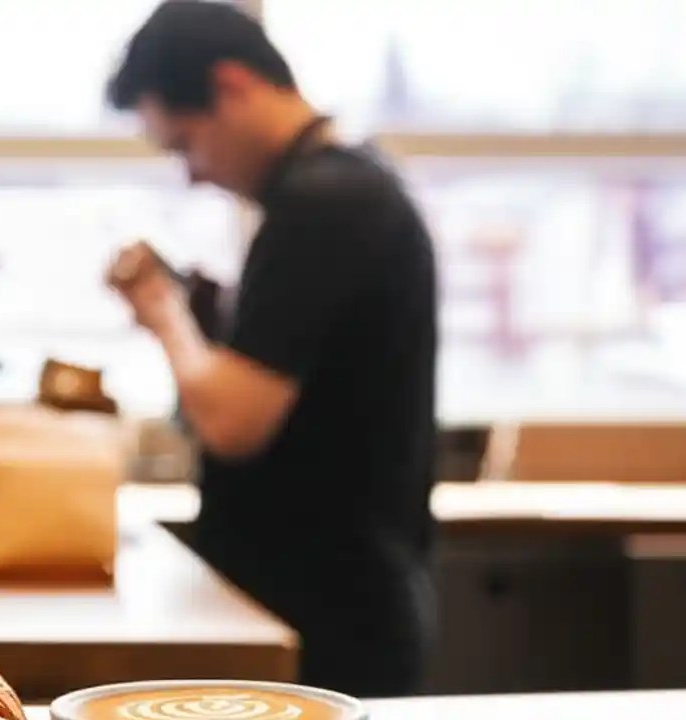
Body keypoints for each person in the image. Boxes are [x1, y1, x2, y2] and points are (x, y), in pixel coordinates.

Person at [105, 1, 438, 698]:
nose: (192, 173)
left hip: (330, 620)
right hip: (340, 604)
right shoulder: (345, 187)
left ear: (231, 86)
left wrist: (164, 314)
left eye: (186, 143)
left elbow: (233, 422)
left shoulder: (325, 205)